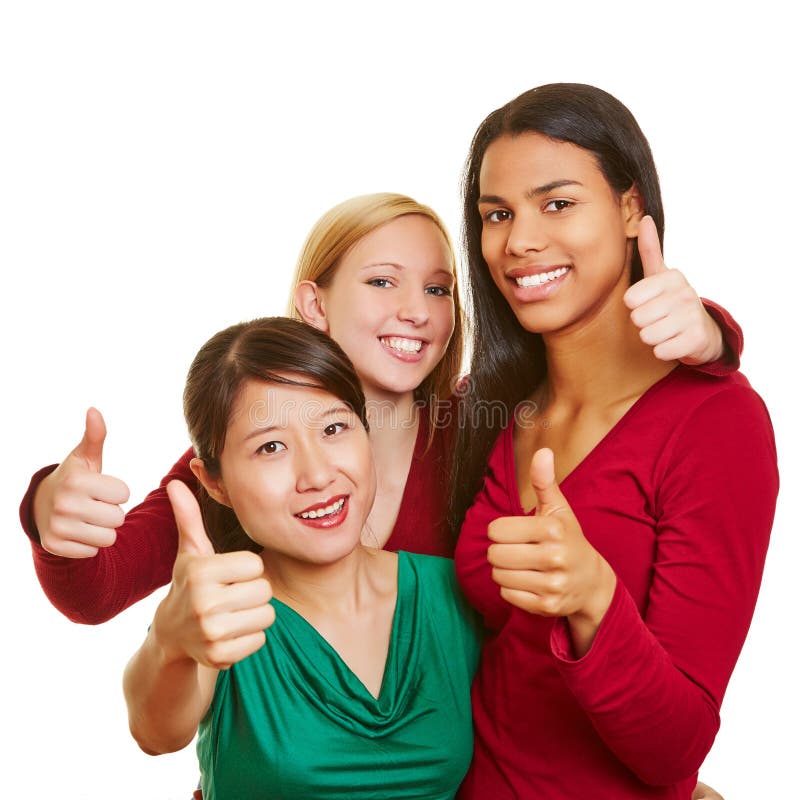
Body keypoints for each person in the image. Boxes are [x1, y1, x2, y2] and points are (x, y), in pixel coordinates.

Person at [21, 192, 735, 798]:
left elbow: (592, 389)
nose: (417, 311)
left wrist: (709, 333)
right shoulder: (244, 432)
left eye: (437, 288)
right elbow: (100, 593)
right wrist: (54, 512)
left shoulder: (479, 429)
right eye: (382, 282)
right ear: (314, 304)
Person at [451, 83, 778, 799]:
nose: (520, 241)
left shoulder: (717, 426)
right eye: (497, 214)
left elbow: (676, 751)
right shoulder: (486, 405)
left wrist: (594, 597)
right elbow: (314, 458)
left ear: (632, 207)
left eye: (557, 203)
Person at [122, 316, 482, 799]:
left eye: (334, 427)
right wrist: (168, 644)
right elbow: (156, 732)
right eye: (271, 447)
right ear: (214, 483)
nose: (316, 474)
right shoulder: (217, 612)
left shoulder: (453, 593)